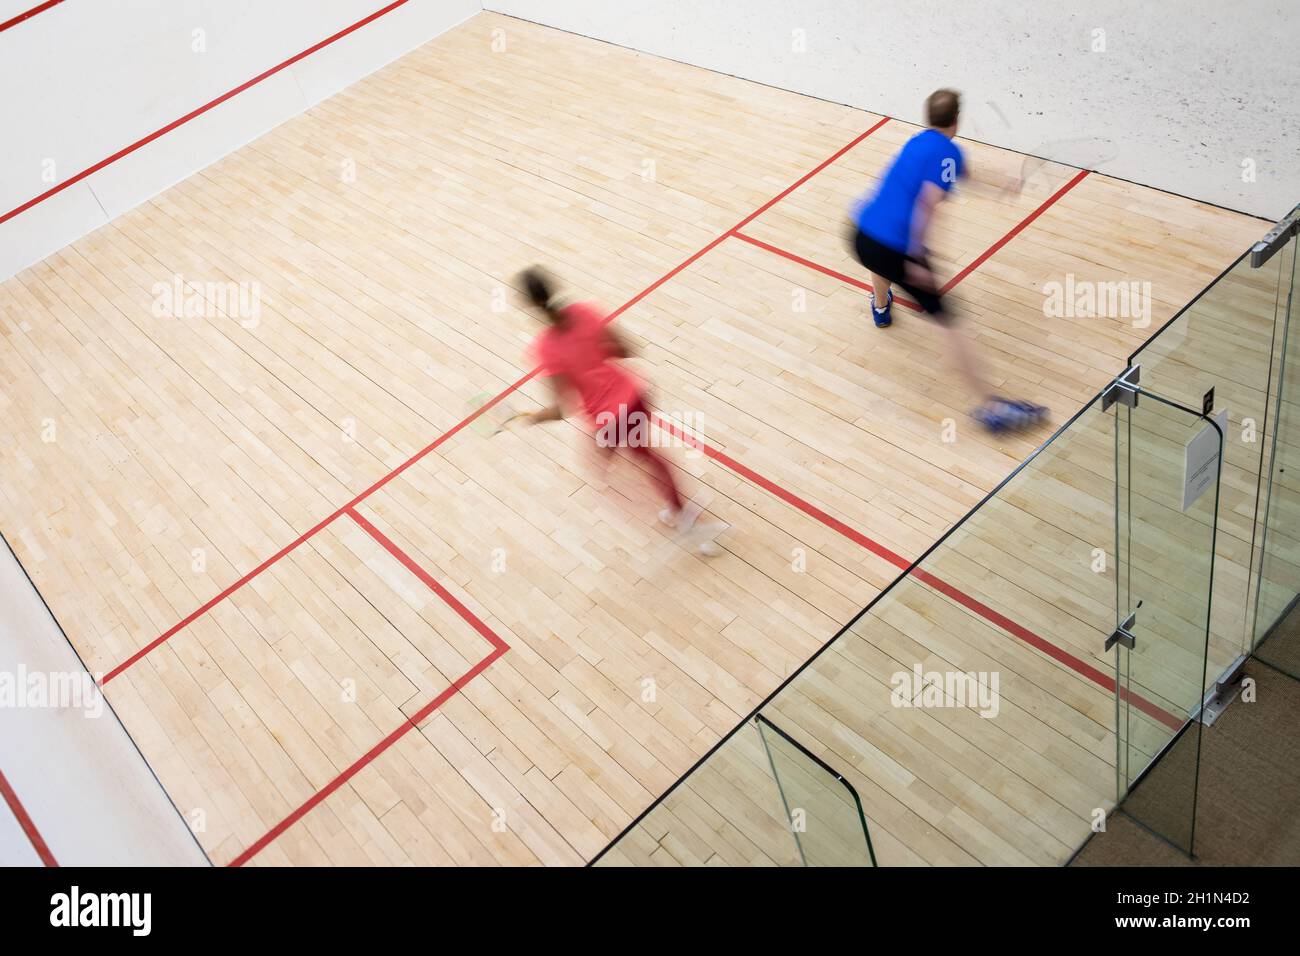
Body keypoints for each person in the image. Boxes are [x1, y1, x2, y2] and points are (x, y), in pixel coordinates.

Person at [848, 88, 1047, 433]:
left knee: (879, 263)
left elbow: (963, 175)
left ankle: (880, 306)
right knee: (951, 321)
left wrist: (1004, 184)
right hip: (897, 247)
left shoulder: (918, 143)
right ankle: (992, 408)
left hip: (860, 232)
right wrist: (916, 255)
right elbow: (928, 203)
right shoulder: (949, 153)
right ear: (957, 119)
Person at [516, 267, 720, 554]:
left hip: (611, 418)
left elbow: (563, 408)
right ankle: (674, 506)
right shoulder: (586, 311)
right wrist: (594, 355)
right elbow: (627, 349)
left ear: (528, 305)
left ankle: (681, 512)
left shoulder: (546, 349)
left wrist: (533, 418)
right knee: (627, 455)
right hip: (637, 396)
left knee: (622, 465)